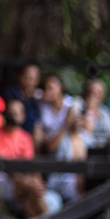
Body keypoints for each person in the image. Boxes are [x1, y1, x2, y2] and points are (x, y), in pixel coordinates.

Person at [0, 99, 59, 217]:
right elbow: (1, 164)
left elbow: (29, 166)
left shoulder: (25, 137)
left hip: (22, 181)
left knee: (34, 192)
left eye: (18, 112)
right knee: (30, 189)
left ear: (23, 116)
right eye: (12, 112)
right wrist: (26, 182)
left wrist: (35, 182)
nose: (14, 115)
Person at [38, 74, 84, 202]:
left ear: (61, 88)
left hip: (69, 150)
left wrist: (74, 123)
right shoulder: (42, 106)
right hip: (50, 151)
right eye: (45, 88)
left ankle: (77, 175)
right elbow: (50, 144)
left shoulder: (72, 104)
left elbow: (80, 129)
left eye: (51, 88)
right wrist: (66, 124)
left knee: (74, 138)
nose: (47, 91)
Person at [2, 63, 43, 143]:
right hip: (12, 134)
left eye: (33, 79)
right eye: (27, 77)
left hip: (30, 138)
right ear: (21, 77)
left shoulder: (36, 99)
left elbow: (37, 119)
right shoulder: (10, 93)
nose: (29, 82)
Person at [75, 78, 110, 152]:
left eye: (97, 94)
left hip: (104, 150)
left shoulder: (105, 112)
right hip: (85, 150)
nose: (92, 97)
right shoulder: (79, 108)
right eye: (91, 93)